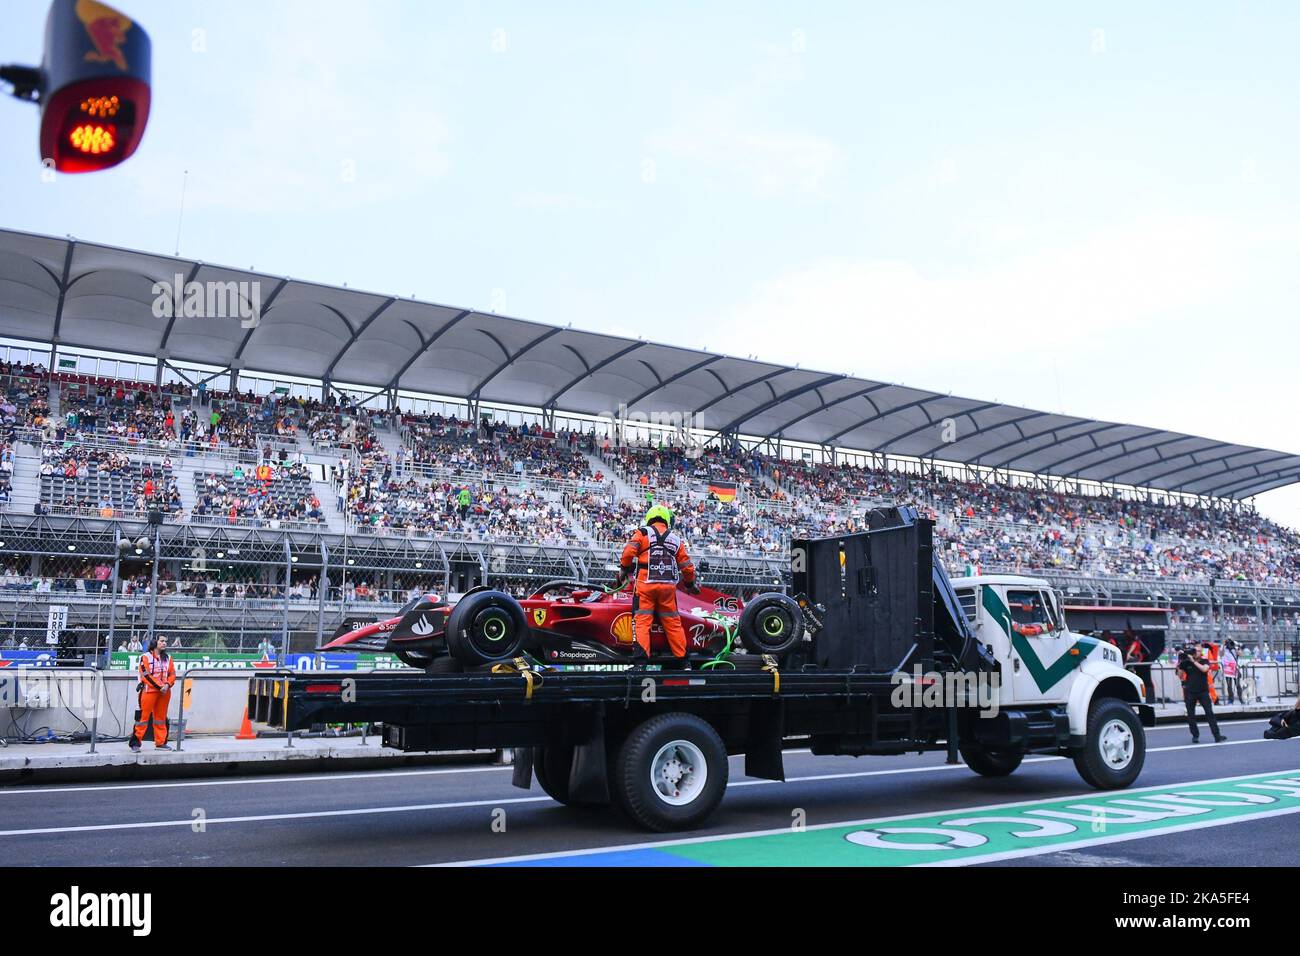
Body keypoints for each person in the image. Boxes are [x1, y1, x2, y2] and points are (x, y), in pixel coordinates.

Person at [615, 504, 699, 667]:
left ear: (650, 518)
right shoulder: (675, 539)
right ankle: (684, 662)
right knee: (673, 622)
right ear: (666, 520)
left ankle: (640, 663)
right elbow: (687, 567)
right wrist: (689, 583)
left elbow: (628, 553)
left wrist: (624, 570)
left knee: (642, 621)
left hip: (645, 586)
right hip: (667, 589)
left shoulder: (643, 533)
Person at [129, 636, 176, 751]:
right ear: (155, 642)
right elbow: (146, 675)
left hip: (164, 692)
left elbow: (172, 674)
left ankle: (160, 743)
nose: (165, 643)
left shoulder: (168, 658)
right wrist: (161, 686)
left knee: (161, 718)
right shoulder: (145, 657)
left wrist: (167, 685)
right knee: (142, 718)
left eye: (166, 641)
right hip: (148, 691)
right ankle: (135, 743)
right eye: (162, 641)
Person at [1177, 643, 1227, 744]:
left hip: (1203, 692)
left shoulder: (1204, 661)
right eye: (1195, 651)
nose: (1196, 653)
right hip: (1190, 692)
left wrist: (1193, 661)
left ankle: (1217, 736)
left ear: (1201, 653)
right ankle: (1195, 736)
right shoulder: (1187, 662)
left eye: (1198, 651)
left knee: (1210, 714)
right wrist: (1180, 662)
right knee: (1191, 715)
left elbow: (1205, 669)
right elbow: (1180, 674)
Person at [1220, 640, 1241, 705]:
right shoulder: (1224, 647)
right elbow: (1221, 654)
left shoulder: (1235, 647)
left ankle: (1241, 699)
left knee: (1238, 685)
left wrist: (1235, 647)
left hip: (1235, 669)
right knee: (1229, 686)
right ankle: (1230, 700)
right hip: (1227, 670)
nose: (1230, 645)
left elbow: (1240, 654)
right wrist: (1223, 645)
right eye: (1229, 644)